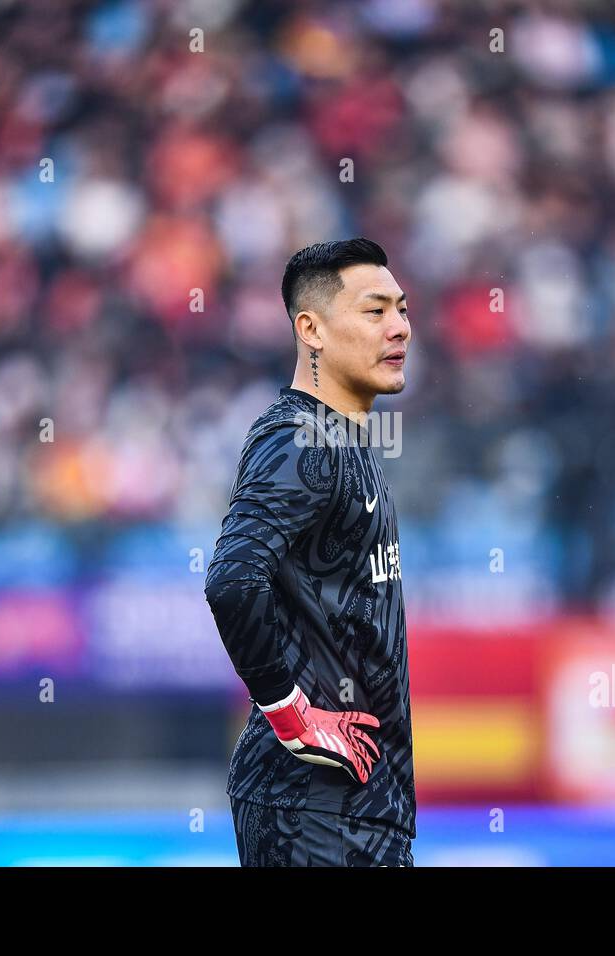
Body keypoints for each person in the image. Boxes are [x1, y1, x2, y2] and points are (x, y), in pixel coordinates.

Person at [204, 238, 416, 866]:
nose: (400, 327)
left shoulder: (346, 440)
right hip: (311, 809)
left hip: (358, 807)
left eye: (402, 310)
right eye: (375, 312)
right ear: (311, 329)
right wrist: (291, 714)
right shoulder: (299, 438)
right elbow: (232, 580)